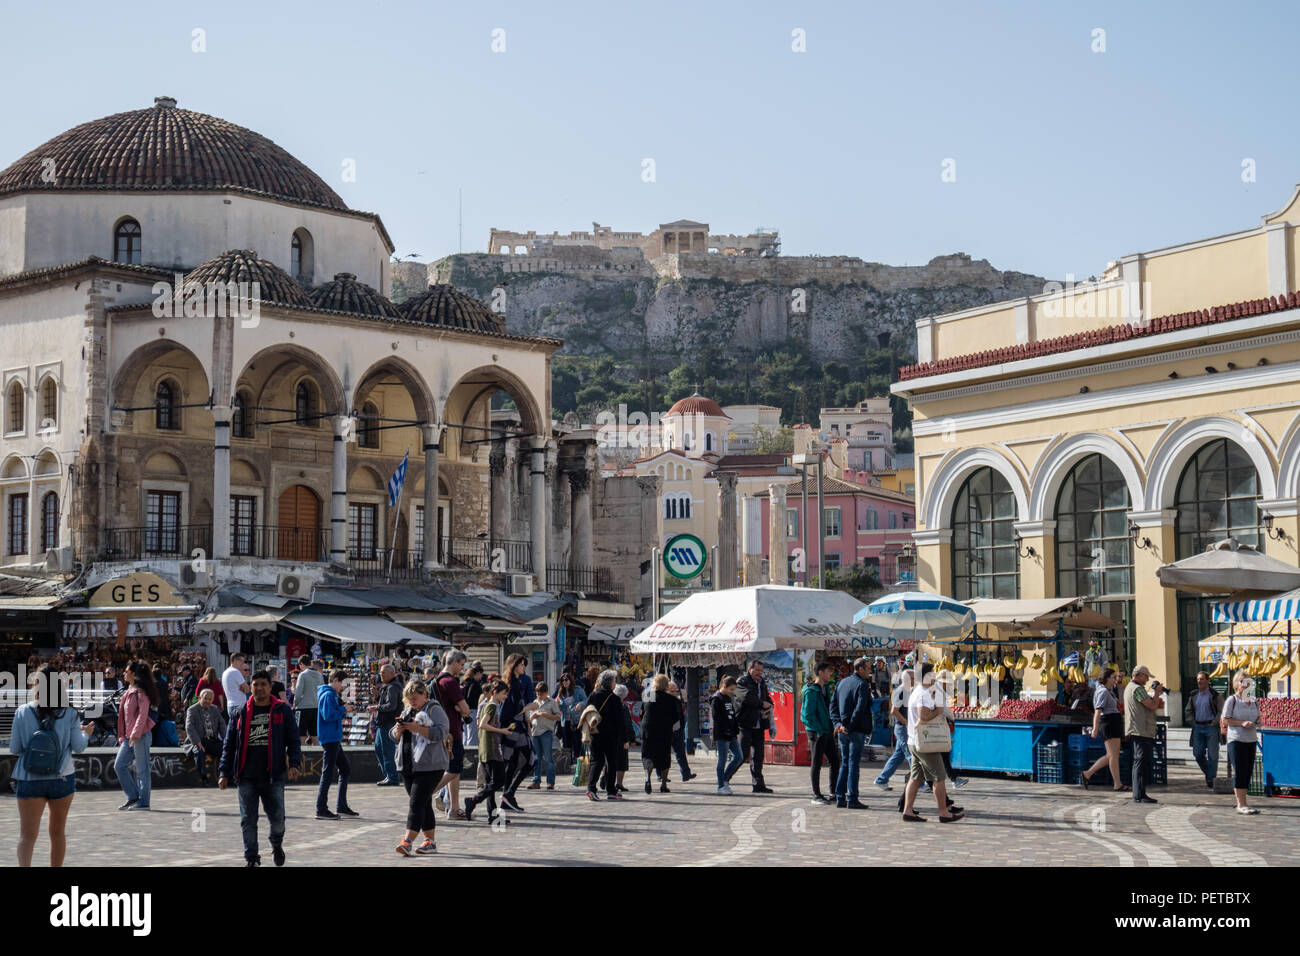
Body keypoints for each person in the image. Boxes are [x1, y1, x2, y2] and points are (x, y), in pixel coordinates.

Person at [10, 664, 94, 866]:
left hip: (29, 778)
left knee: (27, 836)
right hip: (62, 777)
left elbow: (15, 748)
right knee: (57, 833)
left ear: (37, 685)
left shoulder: (22, 712)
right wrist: (86, 733)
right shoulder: (70, 713)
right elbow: (79, 747)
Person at [218, 669, 303, 867]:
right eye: (255, 684)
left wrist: (295, 763)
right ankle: (252, 858)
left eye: (263, 684)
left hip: (273, 775)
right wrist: (224, 772)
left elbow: (293, 741)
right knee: (248, 820)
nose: (259, 688)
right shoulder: (240, 713)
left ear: (270, 687)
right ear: (250, 687)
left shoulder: (282, 710)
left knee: (278, 820)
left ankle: (276, 843)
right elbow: (229, 745)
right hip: (246, 776)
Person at [392, 679, 449, 855]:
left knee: (416, 803)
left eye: (415, 698)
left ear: (425, 694)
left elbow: (441, 732)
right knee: (423, 803)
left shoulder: (434, 709)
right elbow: (393, 736)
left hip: (430, 766)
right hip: (408, 765)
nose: (412, 702)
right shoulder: (408, 710)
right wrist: (398, 730)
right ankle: (430, 842)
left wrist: (417, 728)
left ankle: (407, 841)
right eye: (409, 699)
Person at [901, 666, 963, 823]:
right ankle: (944, 812)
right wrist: (939, 710)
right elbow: (924, 715)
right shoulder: (924, 694)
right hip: (925, 742)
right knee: (939, 776)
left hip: (914, 741)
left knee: (915, 777)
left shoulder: (918, 691)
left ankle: (908, 811)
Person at [464, 678, 511, 824]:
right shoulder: (492, 706)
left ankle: (493, 815)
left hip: (485, 748)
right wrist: (501, 730)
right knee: (499, 781)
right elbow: (482, 725)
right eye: (503, 693)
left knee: (490, 783)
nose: (505, 696)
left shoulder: (486, 704)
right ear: (495, 693)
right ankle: (473, 800)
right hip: (491, 749)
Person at [829, 656, 872, 809]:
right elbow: (860, 709)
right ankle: (852, 798)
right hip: (855, 730)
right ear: (860, 669)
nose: (870, 672)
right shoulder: (862, 684)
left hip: (843, 730)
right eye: (868, 669)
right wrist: (849, 726)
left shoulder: (842, 682)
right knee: (853, 764)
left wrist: (838, 724)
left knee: (846, 763)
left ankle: (840, 796)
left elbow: (832, 706)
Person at [114, 661, 157, 811]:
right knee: (119, 766)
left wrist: (136, 734)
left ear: (133, 673)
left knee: (142, 769)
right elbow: (122, 716)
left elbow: (142, 715)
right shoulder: (129, 691)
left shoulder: (140, 692)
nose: (124, 673)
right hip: (128, 737)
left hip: (140, 736)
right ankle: (133, 796)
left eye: (126, 671)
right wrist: (122, 736)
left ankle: (144, 802)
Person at [316, 668, 358, 819]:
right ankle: (321, 809)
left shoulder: (330, 694)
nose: (343, 688)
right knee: (327, 773)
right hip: (330, 738)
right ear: (335, 680)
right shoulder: (328, 695)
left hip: (333, 737)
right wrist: (343, 709)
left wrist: (343, 709)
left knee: (345, 769)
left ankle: (341, 805)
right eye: (342, 684)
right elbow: (328, 716)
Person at [434, 650, 471, 819]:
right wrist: (460, 709)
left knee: (453, 771)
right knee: (455, 770)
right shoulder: (450, 682)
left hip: (442, 730)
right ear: (454, 662)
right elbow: (466, 710)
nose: (462, 669)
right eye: (462, 665)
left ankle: (454, 809)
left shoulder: (437, 680)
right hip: (452, 732)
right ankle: (424, 794)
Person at [1122, 665, 1165, 805]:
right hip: (1141, 730)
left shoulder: (1129, 687)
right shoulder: (1137, 689)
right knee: (1140, 762)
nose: (1147, 680)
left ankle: (1139, 793)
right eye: (1146, 677)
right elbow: (1152, 706)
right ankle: (1138, 794)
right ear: (1140, 675)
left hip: (1137, 729)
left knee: (1139, 762)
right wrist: (1157, 693)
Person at [498, 653, 536, 811]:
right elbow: (514, 709)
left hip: (511, 728)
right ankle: (509, 793)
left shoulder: (511, 682)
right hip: (515, 729)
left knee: (512, 763)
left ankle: (506, 797)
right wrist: (530, 707)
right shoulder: (515, 684)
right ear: (514, 666)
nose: (524, 667)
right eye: (521, 665)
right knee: (531, 760)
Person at [1081, 668, 1128, 792]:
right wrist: (1095, 728)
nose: (1115, 679)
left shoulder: (1109, 691)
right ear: (1106, 678)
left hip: (1113, 722)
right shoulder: (1102, 692)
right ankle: (1117, 784)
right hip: (1109, 723)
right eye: (1113, 677)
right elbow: (1098, 711)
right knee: (1113, 755)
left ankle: (1088, 773)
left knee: (1112, 755)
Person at [582, 669, 624, 801]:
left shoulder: (593, 695)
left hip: (595, 733)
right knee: (611, 762)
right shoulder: (615, 699)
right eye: (614, 681)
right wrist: (623, 737)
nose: (615, 684)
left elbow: (587, 711)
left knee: (597, 761)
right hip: (611, 735)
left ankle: (591, 788)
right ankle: (610, 790)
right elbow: (619, 720)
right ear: (610, 683)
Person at [1222, 671, 1262, 814]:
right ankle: (1240, 804)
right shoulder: (1232, 700)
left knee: (1247, 771)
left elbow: (1258, 718)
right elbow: (1225, 719)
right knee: (1239, 771)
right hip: (1236, 739)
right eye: (1242, 682)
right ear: (1236, 684)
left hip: (1251, 739)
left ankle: (1244, 803)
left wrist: (1257, 721)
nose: (1245, 685)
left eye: (1248, 682)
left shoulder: (1253, 701)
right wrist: (1241, 723)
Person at [800, 660, 839, 804]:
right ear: (821, 672)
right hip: (817, 732)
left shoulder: (825, 688)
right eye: (828, 671)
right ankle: (816, 794)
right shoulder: (811, 691)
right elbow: (806, 715)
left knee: (835, 761)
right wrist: (819, 730)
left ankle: (833, 792)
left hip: (827, 730)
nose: (830, 674)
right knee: (816, 763)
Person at [735, 659, 774, 793]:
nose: (759, 673)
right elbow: (746, 698)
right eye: (757, 670)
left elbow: (766, 697)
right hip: (745, 724)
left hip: (759, 724)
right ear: (750, 669)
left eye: (761, 671)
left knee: (758, 756)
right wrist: (761, 703)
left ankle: (758, 784)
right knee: (741, 755)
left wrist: (769, 702)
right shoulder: (742, 681)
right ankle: (724, 779)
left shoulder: (761, 682)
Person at [874, 667, 914, 792]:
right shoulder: (900, 691)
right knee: (911, 755)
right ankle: (920, 782)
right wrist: (907, 722)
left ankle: (882, 779)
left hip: (904, 727)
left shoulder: (908, 691)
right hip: (902, 728)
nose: (915, 680)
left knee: (898, 756)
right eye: (913, 678)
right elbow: (894, 711)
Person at [1185, 670, 1224, 790]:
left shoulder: (1215, 695)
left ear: (1208, 680)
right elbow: (1188, 711)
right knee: (1198, 754)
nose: (1199, 681)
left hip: (1211, 727)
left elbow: (1221, 711)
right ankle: (1209, 773)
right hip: (1198, 727)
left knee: (1213, 755)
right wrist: (1192, 722)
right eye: (1198, 679)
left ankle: (1211, 779)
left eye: (1202, 679)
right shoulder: (1193, 694)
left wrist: (1215, 722)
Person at [639, 674, 677, 794]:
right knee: (664, 757)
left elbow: (642, 713)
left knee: (647, 755)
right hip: (663, 731)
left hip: (648, 730)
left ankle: (647, 779)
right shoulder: (670, 699)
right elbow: (675, 716)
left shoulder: (648, 696)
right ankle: (663, 784)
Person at [184, 688, 228, 784]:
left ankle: (226, 776)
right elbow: (189, 727)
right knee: (199, 752)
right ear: (200, 698)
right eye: (205, 698)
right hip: (198, 740)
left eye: (210, 699)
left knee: (226, 750)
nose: (207, 701)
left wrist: (226, 740)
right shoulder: (192, 710)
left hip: (212, 740)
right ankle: (204, 777)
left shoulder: (215, 709)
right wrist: (197, 742)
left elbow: (222, 724)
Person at [370, 663, 403, 786]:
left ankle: (393, 777)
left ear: (391, 674)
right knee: (379, 749)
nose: (380, 675)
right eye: (380, 673)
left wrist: (376, 707)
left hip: (388, 723)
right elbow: (388, 703)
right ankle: (389, 775)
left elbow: (391, 706)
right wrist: (378, 696)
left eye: (383, 673)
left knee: (387, 751)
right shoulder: (388, 686)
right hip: (383, 723)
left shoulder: (393, 687)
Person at [525, 682, 563, 789]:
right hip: (535, 732)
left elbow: (558, 717)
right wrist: (533, 715)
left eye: (541, 694)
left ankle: (550, 781)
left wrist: (545, 715)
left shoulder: (551, 702)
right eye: (537, 694)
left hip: (546, 732)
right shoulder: (535, 702)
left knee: (548, 758)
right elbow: (529, 718)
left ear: (546, 693)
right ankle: (536, 781)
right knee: (537, 758)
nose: (539, 696)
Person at [711, 676, 743, 794]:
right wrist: (725, 730)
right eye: (731, 689)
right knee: (722, 760)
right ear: (724, 686)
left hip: (732, 734)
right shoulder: (717, 699)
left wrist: (735, 730)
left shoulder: (728, 698)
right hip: (722, 734)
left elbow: (732, 715)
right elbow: (717, 718)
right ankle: (721, 786)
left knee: (739, 757)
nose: (732, 692)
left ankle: (724, 779)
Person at [666, 681, 694, 781]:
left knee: (681, 753)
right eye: (671, 691)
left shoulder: (677, 701)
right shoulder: (662, 702)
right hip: (666, 732)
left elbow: (681, 716)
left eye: (675, 691)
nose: (674, 693)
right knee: (664, 754)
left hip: (678, 731)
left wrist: (681, 728)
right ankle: (661, 776)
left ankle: (686, 774)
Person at [556, 671, 587, 759]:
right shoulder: (561, 692)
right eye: (562, 680)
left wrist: (580, 704)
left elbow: (586, 700)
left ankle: (580, 760)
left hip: (576, 720)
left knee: (577, 742)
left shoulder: (578, 689)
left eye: (566, 680)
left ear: (570, 680)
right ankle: (568, 762)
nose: (564, 682)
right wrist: (557, 704)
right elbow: (559, 706)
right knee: (566, 743)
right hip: (565, 720)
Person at [292, 656, 323, 745]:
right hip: (316, 708)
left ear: (301, 664)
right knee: (315, 735)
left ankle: (302, 757)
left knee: (300, 735)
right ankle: (317, 757)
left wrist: (295, 704)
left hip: (302, 708)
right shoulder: (319, 675)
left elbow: (298, 693)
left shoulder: (303, 675)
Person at [221, 653, 250, 717]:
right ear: (235, 661)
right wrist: (244, 687)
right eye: (242, 661)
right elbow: (247, 689)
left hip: (231, 705)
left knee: (234, 726)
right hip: (238, 706)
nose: (243, 663)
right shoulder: (235, 672)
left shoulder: (225, 672)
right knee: (240, 726)